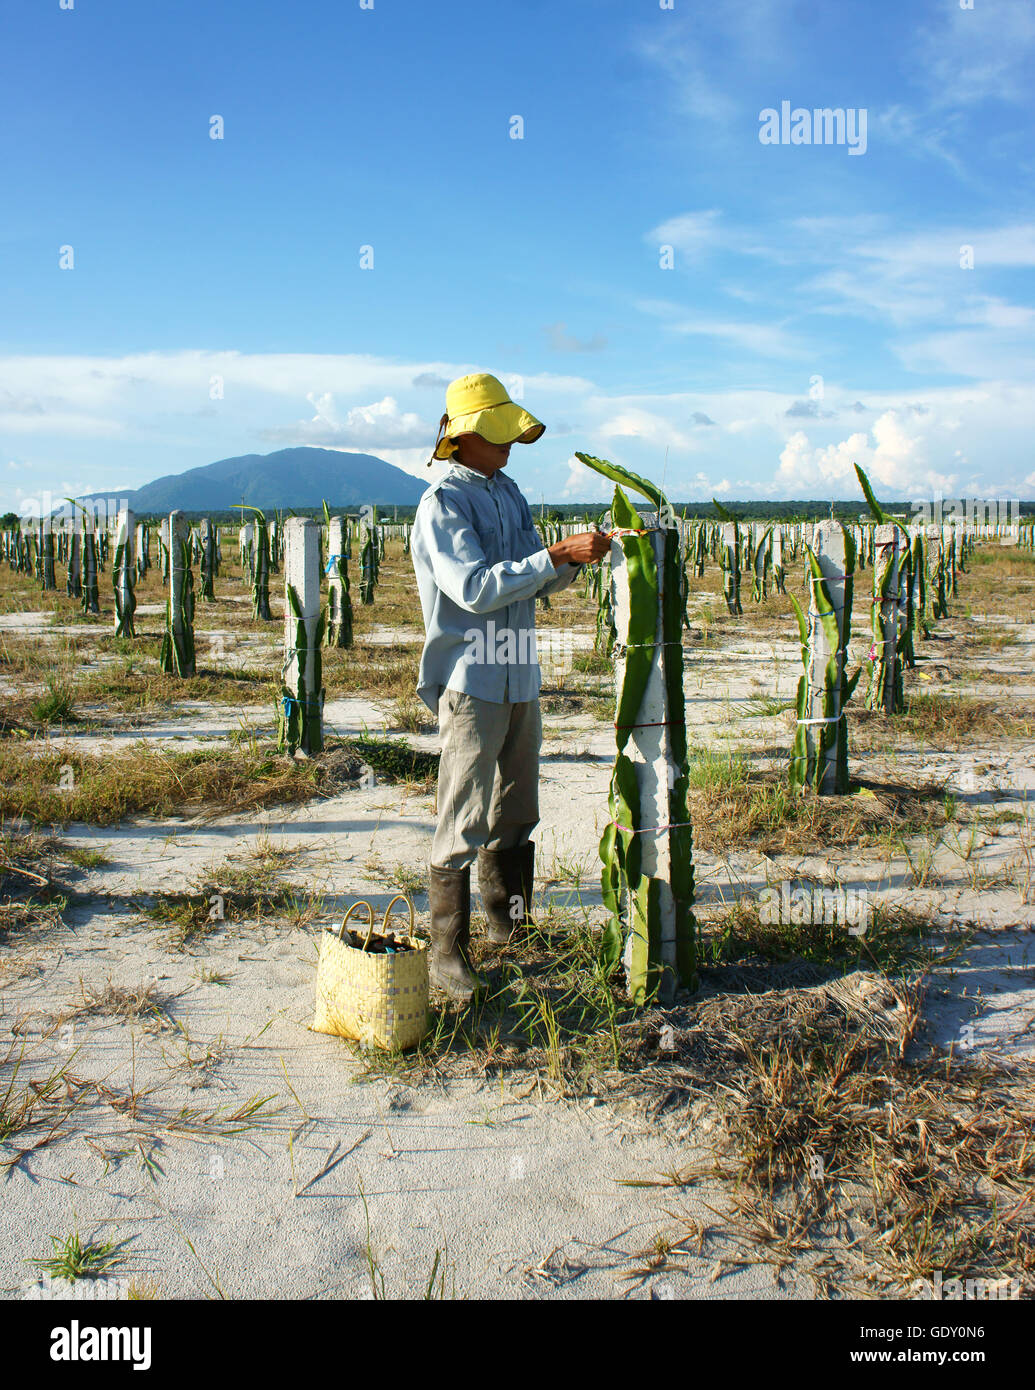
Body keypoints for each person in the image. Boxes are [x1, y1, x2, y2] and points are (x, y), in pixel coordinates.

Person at [410, 373, 610, 1000]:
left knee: (518, 808)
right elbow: (474, 587)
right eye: (497, 434)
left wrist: (574, 561)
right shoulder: (442, 505)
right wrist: (553, 555)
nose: (508, 446)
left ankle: (511, 927)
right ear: (464, 436)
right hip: (472, 677)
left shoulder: (510, 493)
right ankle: (447, 956)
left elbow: (535, 580)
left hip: (519, 666)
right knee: (464, 810)